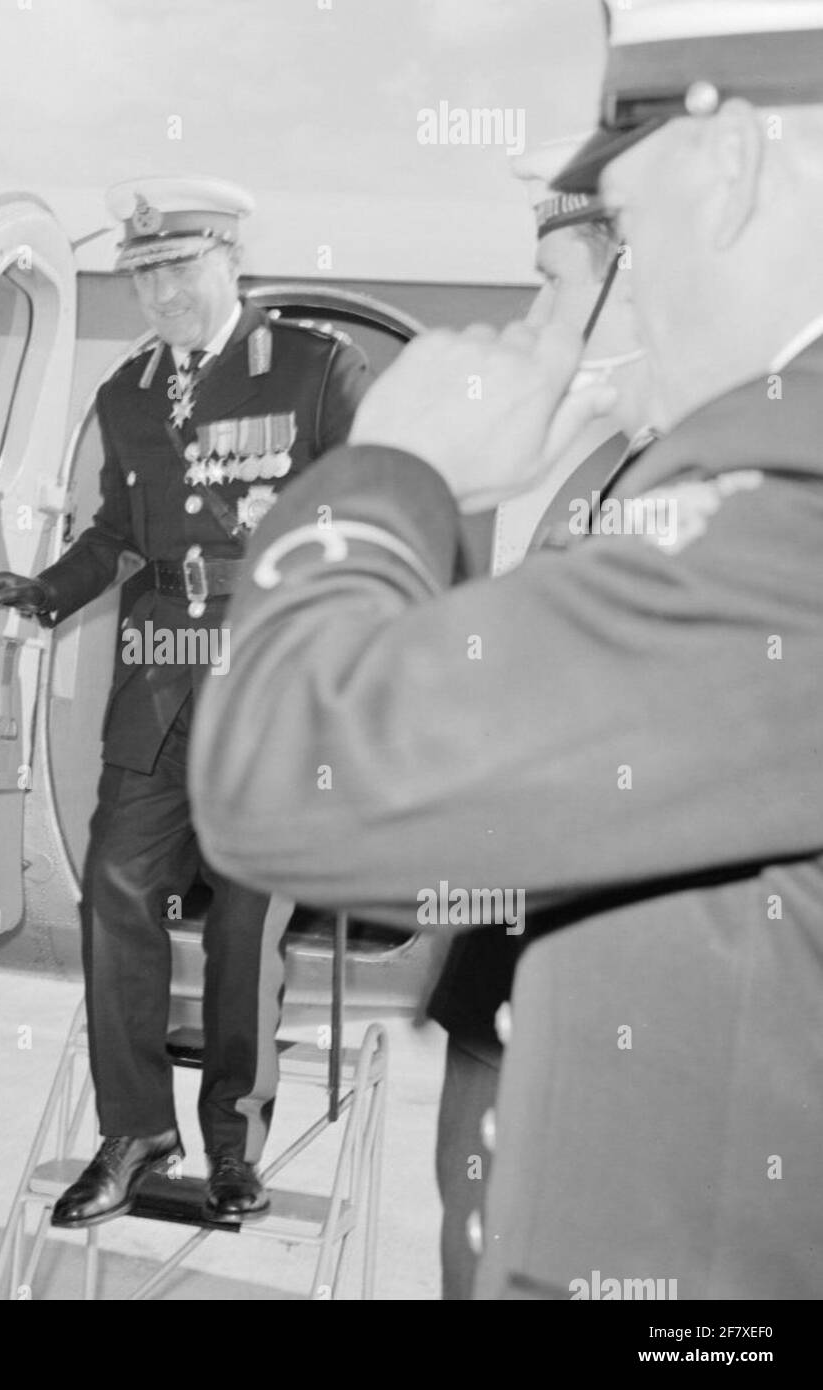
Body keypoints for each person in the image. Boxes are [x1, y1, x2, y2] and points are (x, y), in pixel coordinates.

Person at [189, 0, 823, 1298]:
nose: (607, 287)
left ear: (735, 162)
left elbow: (290, 773)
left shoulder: (783, 513)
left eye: (623, 230)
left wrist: (386, 469)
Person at [0, 177, 368, 1225]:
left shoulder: (317, 370)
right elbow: (115, 533)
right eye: (142, 273)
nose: (160, 291)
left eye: (177, 267)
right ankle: (136, 1128)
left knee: (247, 925)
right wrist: (45, 591)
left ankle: (234, 1144)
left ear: (230, 257)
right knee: (113, 889)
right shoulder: (130, 392)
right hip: (153, 680)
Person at [429, 134, 656, 1301]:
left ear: (637, 275)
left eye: (556, 277)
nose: (537, 307)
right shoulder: (595, 454)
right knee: (468, 1193)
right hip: (525, 906)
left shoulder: (734, 465)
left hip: (630, 934)